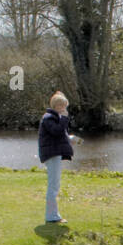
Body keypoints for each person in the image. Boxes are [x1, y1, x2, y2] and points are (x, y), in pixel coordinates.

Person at [37, 91, 76, 225]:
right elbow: (56, 131)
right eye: (63, 106)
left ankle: (53, 215)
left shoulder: (53, 118)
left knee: (55, 184)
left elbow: (58, 134)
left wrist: (70, 139)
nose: (64, 110)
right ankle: (52, 216)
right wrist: (64, 119)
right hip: (52, 154)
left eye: (65, 106)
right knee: (53, 185)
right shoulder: (49, 118)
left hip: (54, 153)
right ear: (57, 105)